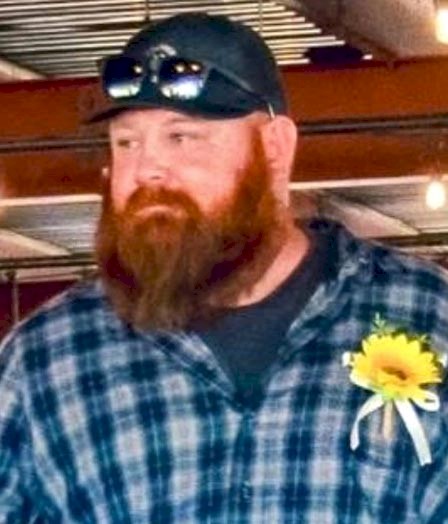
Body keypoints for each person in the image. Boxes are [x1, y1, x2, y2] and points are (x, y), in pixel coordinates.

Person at [1, 11, 448, 523]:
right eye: (127, 143)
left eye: (181, 137)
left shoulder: (429, 316)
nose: (147, 170)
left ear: (274, 148)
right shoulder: (49, 360)